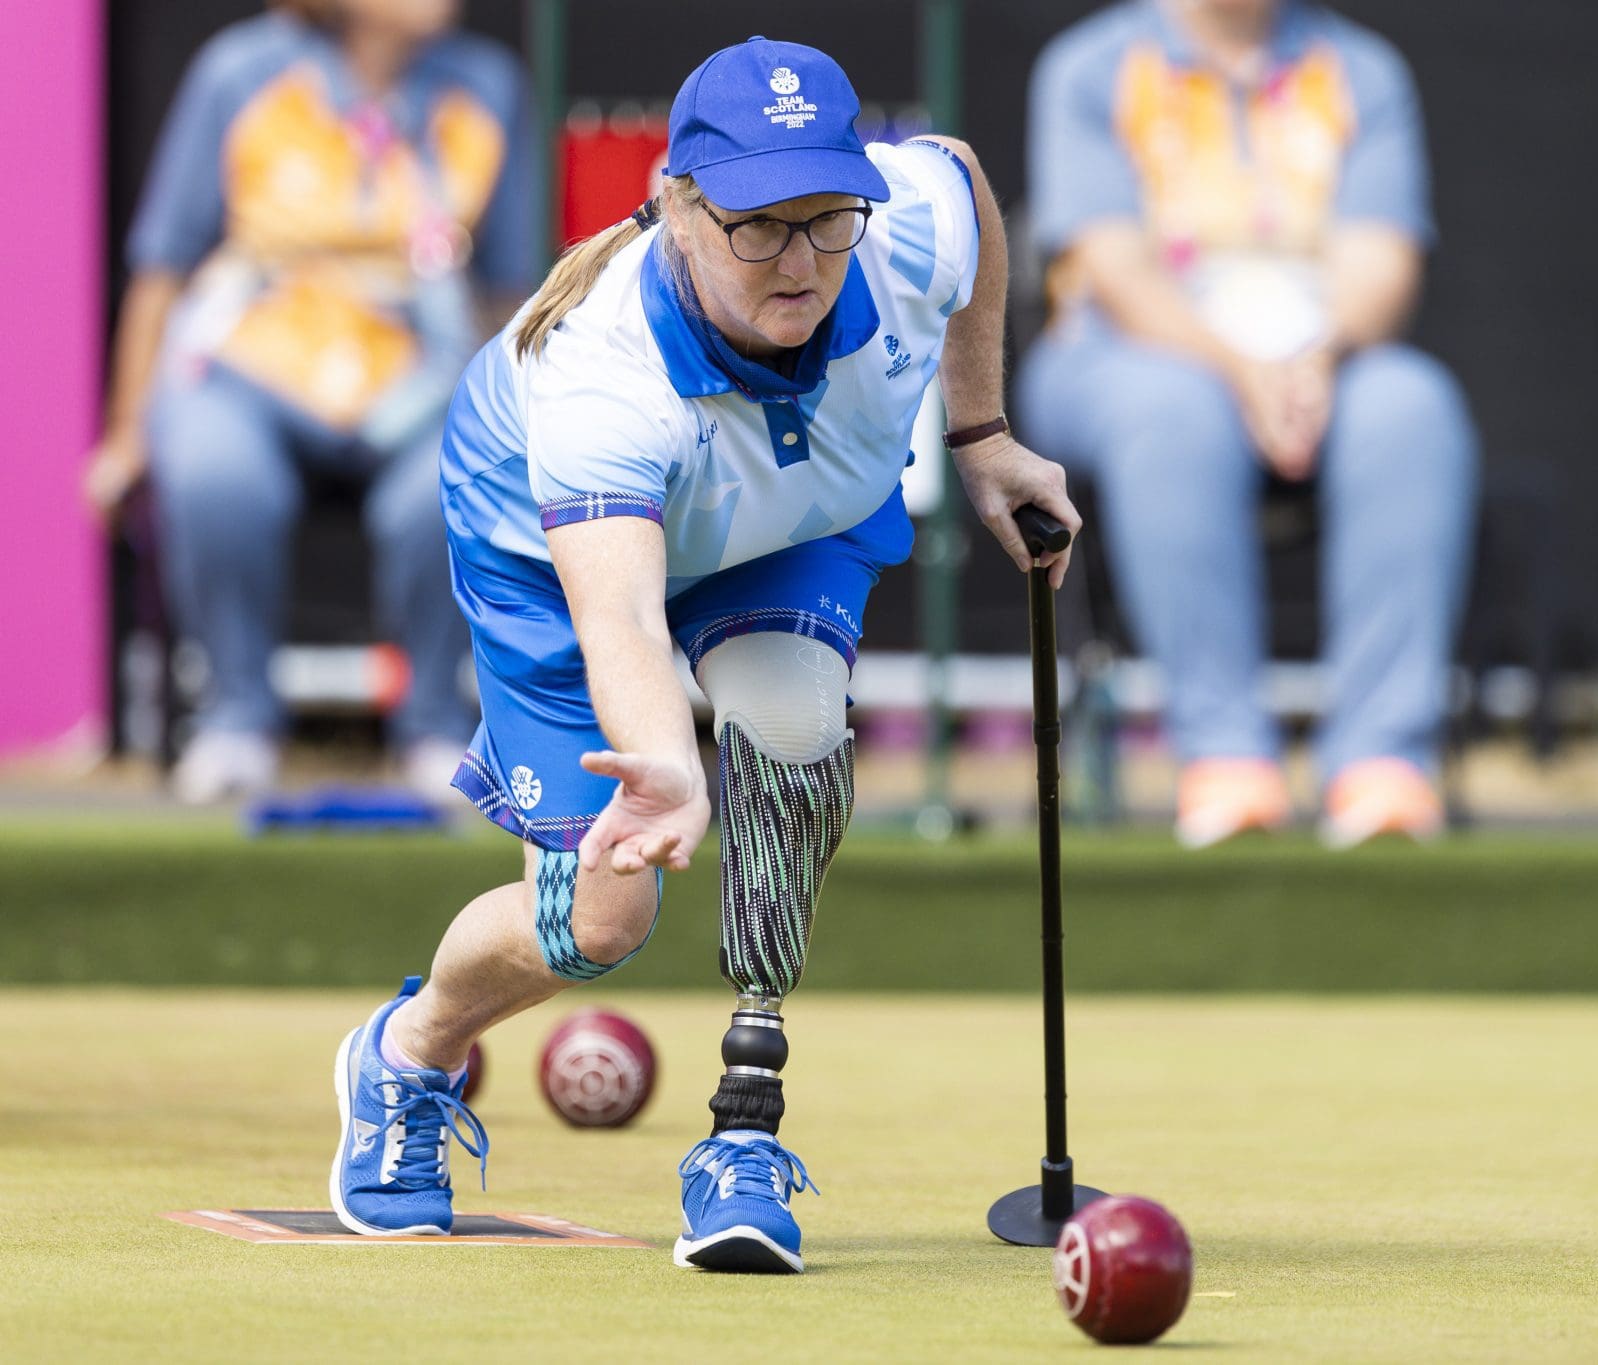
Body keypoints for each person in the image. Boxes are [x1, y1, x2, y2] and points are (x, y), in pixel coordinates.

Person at [328, 37, 1078, 1273]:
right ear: (677, 207)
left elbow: (961, 183)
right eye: (757, 227)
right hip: (555, 548)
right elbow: (621, 617)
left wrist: (980, 427)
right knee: (599, 919)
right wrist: (668, 765)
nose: (802, 262)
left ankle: (743, 1132)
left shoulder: (897, 232)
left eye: (825, 219)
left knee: (793, 736)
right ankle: (408, 1054)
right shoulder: (597, 380)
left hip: (785, 522)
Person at [1018, 0, 1479, 848]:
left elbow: (1383, 261)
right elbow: (1115, 270)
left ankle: (1382, 762)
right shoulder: (1091, 68)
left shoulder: (1364, 71)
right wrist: (1238, 369)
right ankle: (1225, 760)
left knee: (1412, 406)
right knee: (1175, 413)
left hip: (1321, 357)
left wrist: (1318, 358)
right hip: (1124, 357)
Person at [82, 0, 536, 803]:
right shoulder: (239, 72)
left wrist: (528, 419)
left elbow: (510, 290)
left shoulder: (490, 86)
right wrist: (125, 432)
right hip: (249, 364)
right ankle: (235, 723)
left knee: (452, 481)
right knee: (218, 475)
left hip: (415, 376)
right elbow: (162, 269)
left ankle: (434, 725)